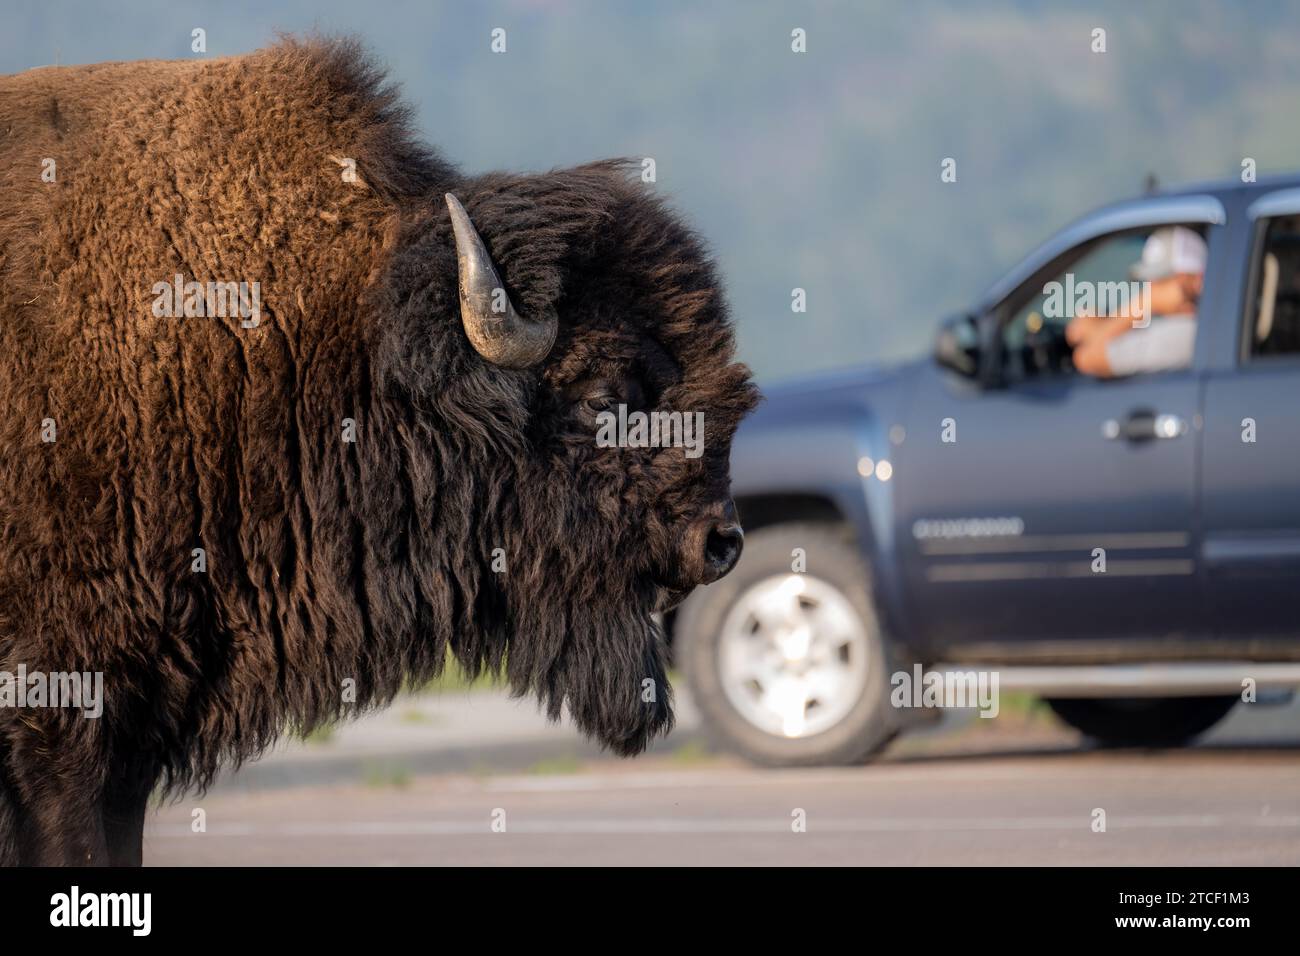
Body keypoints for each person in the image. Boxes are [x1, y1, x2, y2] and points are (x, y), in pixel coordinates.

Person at [1066, 225, 1206, 378]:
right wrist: (1097, 326)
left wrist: (1145, 303)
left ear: (1198, 280)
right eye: (1149, 280)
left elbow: (1087, 358)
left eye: (1163, 278)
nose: (1151, 287)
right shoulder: (1182, 324)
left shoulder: (1188, 331)